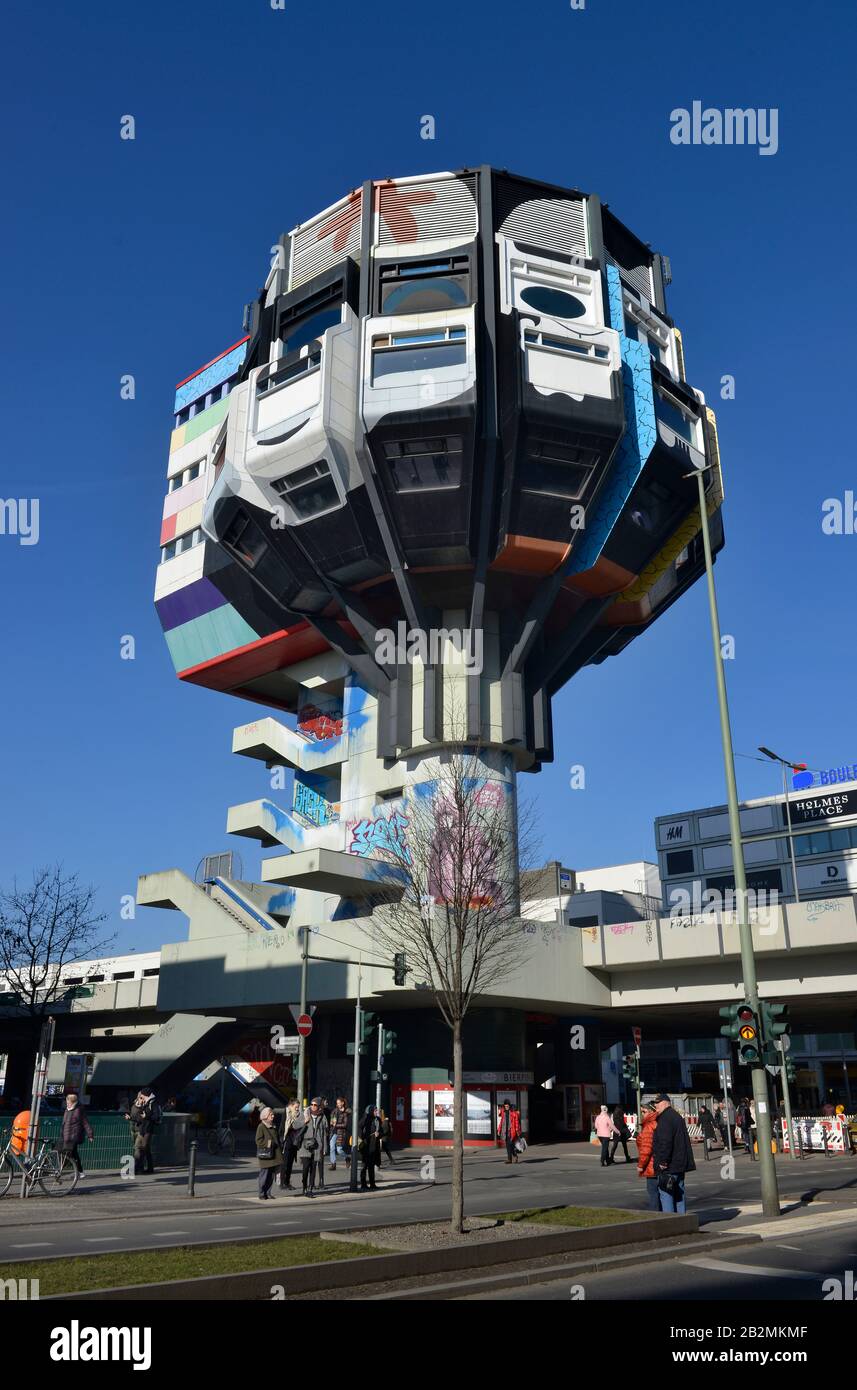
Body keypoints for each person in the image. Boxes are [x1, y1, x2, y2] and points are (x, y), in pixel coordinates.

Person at [651, 1093, 696, 1214]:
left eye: (658, 1103)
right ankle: (682, 1221)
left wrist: (662, 1161)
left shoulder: (665, 1119)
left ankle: (670, 1222)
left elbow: (665, 1143)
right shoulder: (676, 1117)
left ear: (666, 1103)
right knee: (679, 1194)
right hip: (679, 1164)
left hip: (669, 1166)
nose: (656, 1106)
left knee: (666, 1195)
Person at [298, 1098, 328, 1197]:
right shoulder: (304, 1114)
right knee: (306, 1168)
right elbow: (295, 1126)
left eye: (315, 1105)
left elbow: (324, 1133)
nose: (313, 1106)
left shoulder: (322, 1116)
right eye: (312, 1104)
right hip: (305, 1146)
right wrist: (304, 1122)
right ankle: (304, 1187)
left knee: (313, 1169)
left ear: (319, 1106)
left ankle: (310, 1189)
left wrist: (324, 1147)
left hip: (317, 1146)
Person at [61, 1091, 94, 1176]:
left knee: (68, 1153)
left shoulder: (79, 1110)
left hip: (73, 1136)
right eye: (66, 1101)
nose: (67, 1103)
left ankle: (61, 1171)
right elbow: (64, 1123)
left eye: (68, 1102)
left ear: (73, 1102)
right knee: (73, 1153)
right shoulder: (67, 1110)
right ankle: (79, 1171)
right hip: (66, 1135)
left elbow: (85, 1122)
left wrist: (90, 1134)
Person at [636, 1101, 660, 1211]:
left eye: (644, 1111)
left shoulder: (649, 1126)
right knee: (661, 1195)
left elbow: (646, 1148)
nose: (642, 1114)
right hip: (659, 1164)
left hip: (651, 1166)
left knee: (653, 1194)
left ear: (651, 1112)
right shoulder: (658, 1123)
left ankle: (656, 1218)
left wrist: (641, 1165)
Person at [255, 1106, 282, 1200]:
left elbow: (277, 1139)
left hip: (274, 1155)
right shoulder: (261, 1126)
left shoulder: (273, 1125)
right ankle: (261, 1193)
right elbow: (258, 1141)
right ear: (266, 1116)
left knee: (271, 1176)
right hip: (266, 1156)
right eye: (271, 1114)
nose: (273, 1116)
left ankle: (268, 1192)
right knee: (264, 1175)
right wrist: (269, 1143)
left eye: (273, 1114)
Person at [126, 1090, 156, 1175]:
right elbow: (138, 1117)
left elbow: (145, 1118)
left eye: (142, 1097)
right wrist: (131, 1118)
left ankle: (135, 1168)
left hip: (143, 1130)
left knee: (138, 1148)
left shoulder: (147, 1105)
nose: (141, 1099)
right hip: (140, 1129)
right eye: (140, 1097)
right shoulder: (138, 1105)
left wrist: (145, 1116)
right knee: (145, 1150)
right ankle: (145, 1168)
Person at [280, 1099, 305, 1189]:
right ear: (291, 1105)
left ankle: (287, 1182)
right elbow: (283, 1128)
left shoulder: (299, 1115)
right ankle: (282, 1183)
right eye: (296, 1107)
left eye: (298, 1107)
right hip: (287, 1142)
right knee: (285, 1164)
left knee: (290, 1164)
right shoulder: (286, 1113)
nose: (297, 1109)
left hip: (294, 1142)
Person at [358, 1104, 382, 1189]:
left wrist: (378, 1134)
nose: (377, 1112)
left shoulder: (378, 1120)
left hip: (374, 1146)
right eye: (375, 1111)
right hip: (366, 1145)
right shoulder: (365, 1119)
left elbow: (381, 1131)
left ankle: (372, 1184)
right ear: (370, 1111)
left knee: (371, 1165)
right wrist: (362, 1138)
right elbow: (359, 1128)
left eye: (377, 1110)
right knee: (364, 1166)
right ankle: (363, 1184)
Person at [329, 1096, 351, 1170]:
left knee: (339, 1150)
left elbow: (345, 1124)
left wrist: (336, 1125)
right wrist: (332, 1122)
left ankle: (347, 1158)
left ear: (343, 1103)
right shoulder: (334, 1111)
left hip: (341, 1133)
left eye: (339, 1103)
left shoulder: (346, 1112)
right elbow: (331, 1121)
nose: (338, 1104)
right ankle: (333, 1164)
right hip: (333, 1132)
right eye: (337, 1103)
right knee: (332, 1147)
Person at [497, 1099, 522, 1164]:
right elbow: (501, 1122)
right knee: (508, 1146)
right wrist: (499, 1130)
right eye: (505, 1106)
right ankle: (509, 1159)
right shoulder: (503, 1112)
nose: (506, 1107)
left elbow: (516, 1122)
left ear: (509, 1106)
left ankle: (515, 1155)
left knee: (511, 1145)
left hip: (512, 1131)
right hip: (505, 1131)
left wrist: (517, 1130)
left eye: (507, 1106)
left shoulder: (513, 1112)